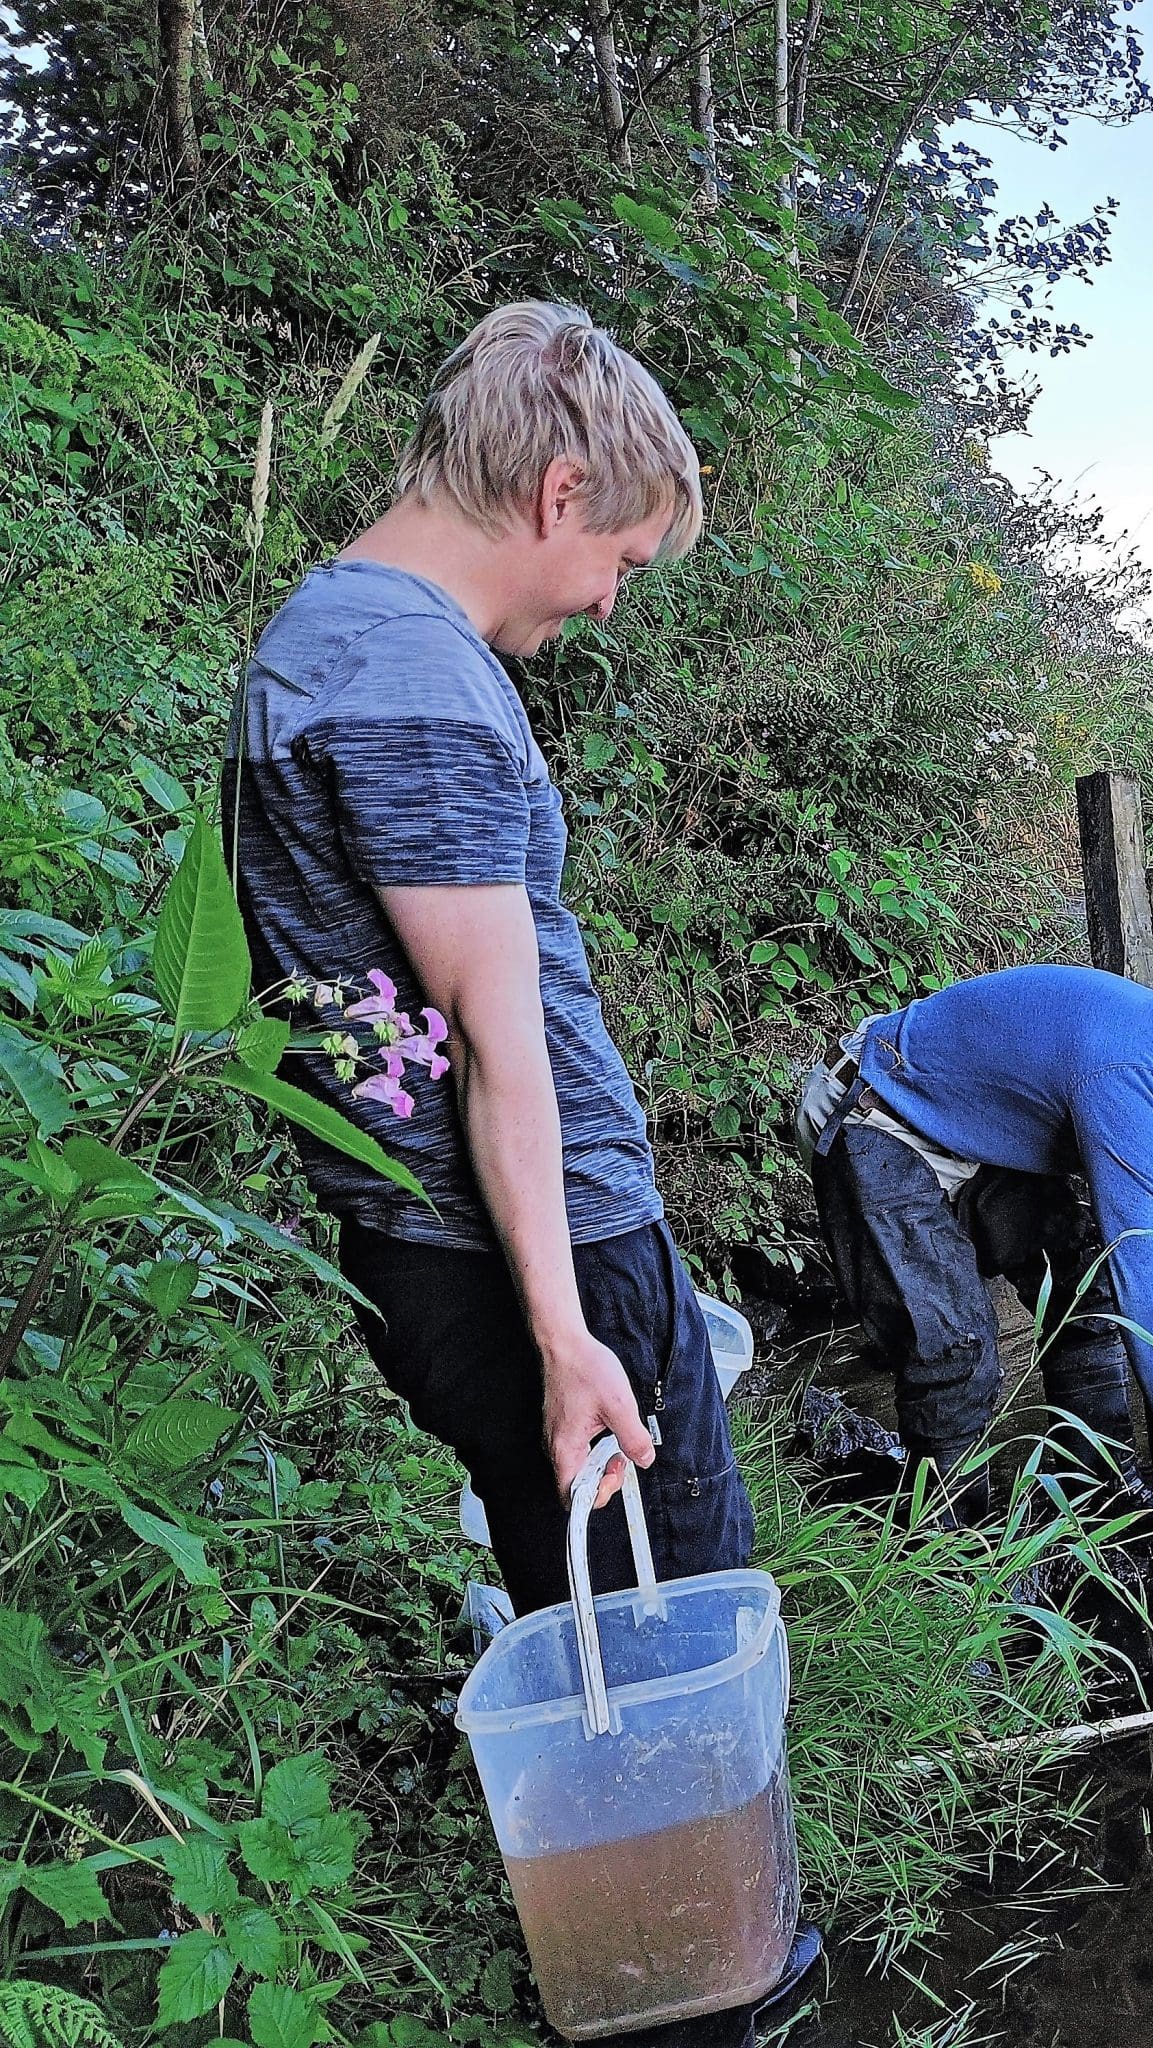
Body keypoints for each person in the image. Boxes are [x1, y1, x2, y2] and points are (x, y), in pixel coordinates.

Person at [225, 302, 814, 2041]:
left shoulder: (323, 643)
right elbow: (495, 1038)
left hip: (446, 1236)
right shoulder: (411, 679)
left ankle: (654, 1966)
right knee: (675, 1629)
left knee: (588, 1616)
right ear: (559, 492)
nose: (614, 597)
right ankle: (712, 1986)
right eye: (622, 554)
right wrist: (570, 1331)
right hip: (518, 1243)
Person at [799, 964, 1153, 1574]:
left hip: (975, 1137)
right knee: (956, 1351)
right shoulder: (1133, 1080)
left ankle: (1096, 1495)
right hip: (877, 1115)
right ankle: (946, 1564)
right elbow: (1146, 1294)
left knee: (1087, 1287)